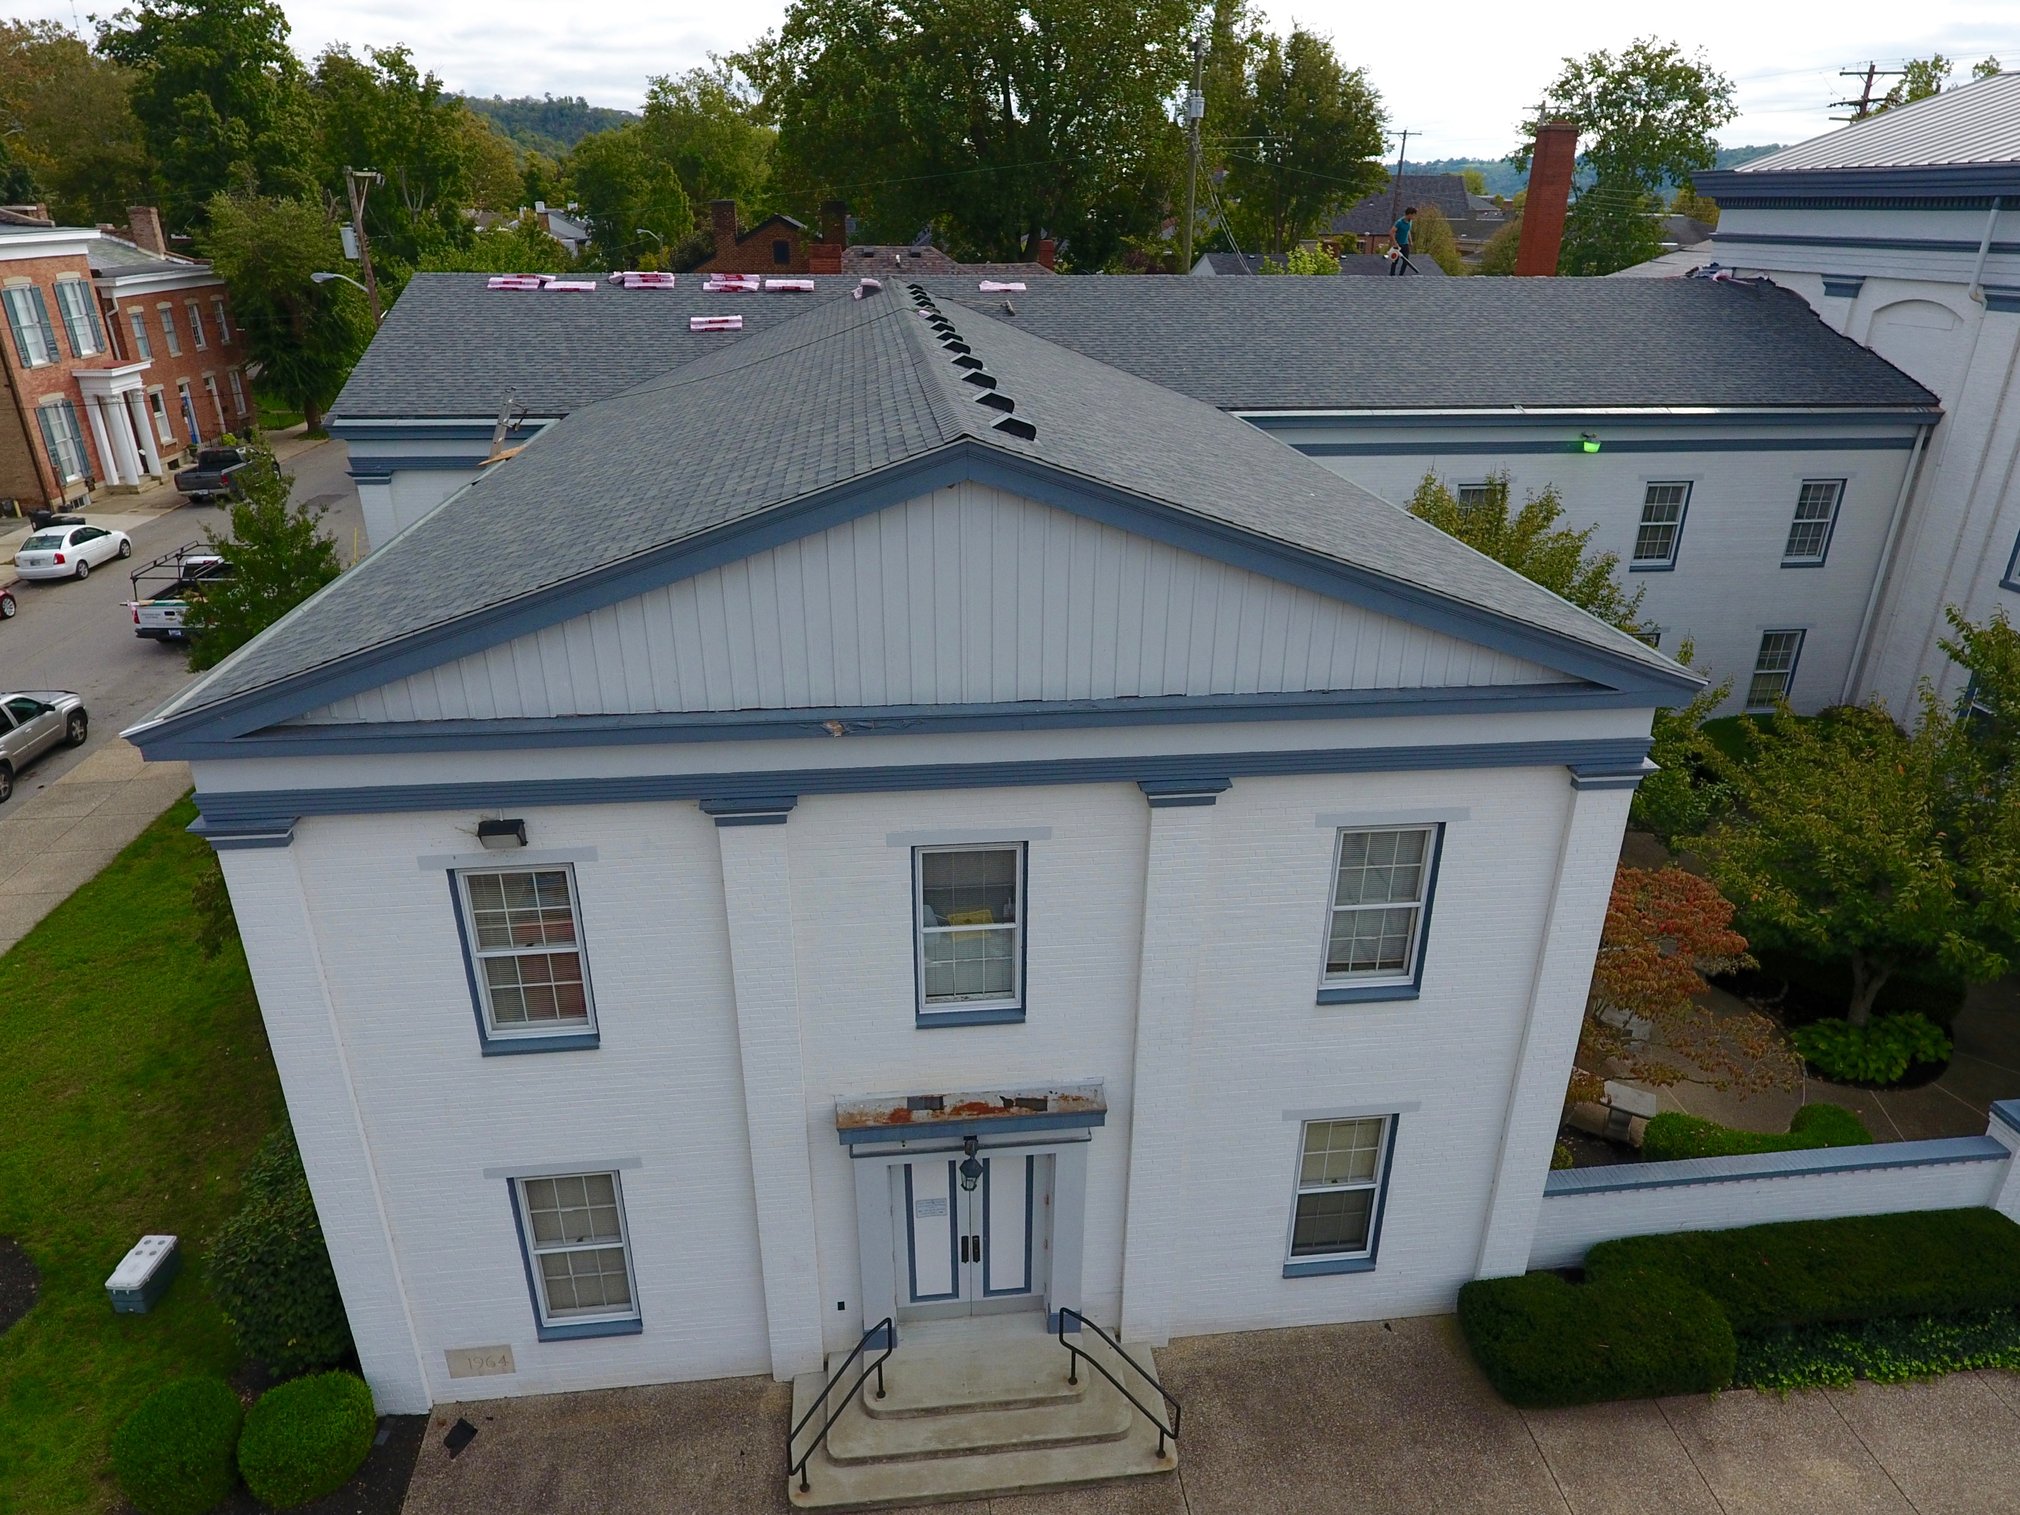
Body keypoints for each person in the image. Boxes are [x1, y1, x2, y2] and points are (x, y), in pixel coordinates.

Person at [1390, 205, 1416, 275]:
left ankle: (1401, 275)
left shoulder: (1410, 222)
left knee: (1406, 261)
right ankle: (1392, 275)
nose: (1414, 217)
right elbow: (1391, 232)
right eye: (1413, 215)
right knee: (1395, 261)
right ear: (1409, 214)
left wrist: (1410, 241)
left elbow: (1408, 231)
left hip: (1405, 244)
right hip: (1398, 244)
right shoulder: (1399, 222)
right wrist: (1395, 243)